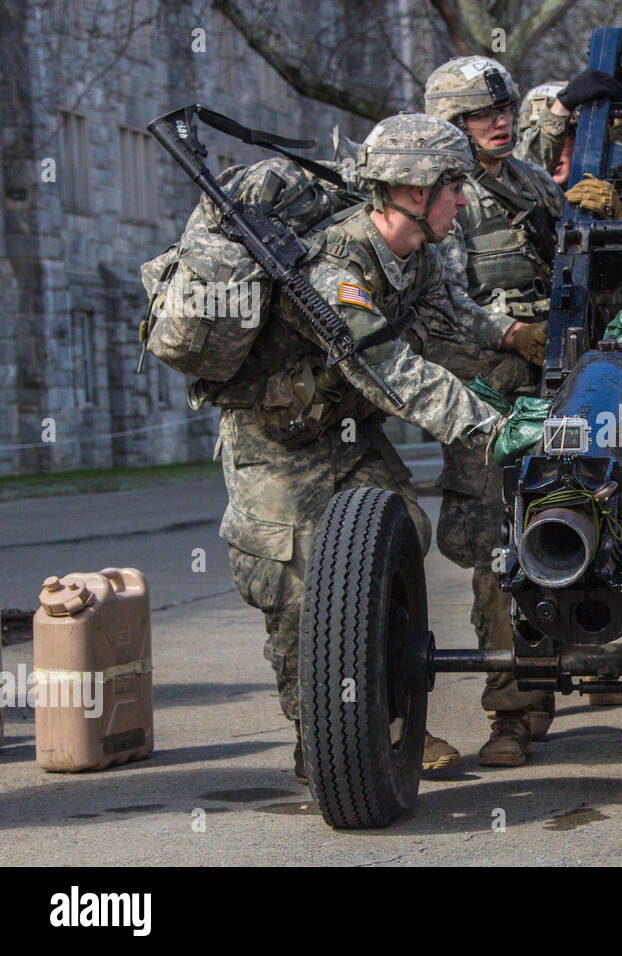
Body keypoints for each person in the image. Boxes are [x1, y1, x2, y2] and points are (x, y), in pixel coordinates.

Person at [213, 114, 503, 782]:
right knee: (294, 594)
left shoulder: (415, 257)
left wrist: (518, 338)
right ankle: (317, 741)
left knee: (397, 541)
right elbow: (388, 368)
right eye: (453, 186)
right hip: (274, 446)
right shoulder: (334, 264)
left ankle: (385, 720)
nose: (464, 200)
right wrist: (486, 426)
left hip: (345, 436)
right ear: (411, 190)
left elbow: (452, 326)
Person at [424, 56, 584, 762]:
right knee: (495, 551)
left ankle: (551, 673)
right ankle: (513, 711)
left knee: (571, 527)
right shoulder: (441, 199)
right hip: (487, 400)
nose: (499, 120)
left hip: (553, 390)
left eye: (503, 108)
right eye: (480, 113)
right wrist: (513, 336)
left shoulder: (528, 184)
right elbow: (442, 307)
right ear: (448, 125)